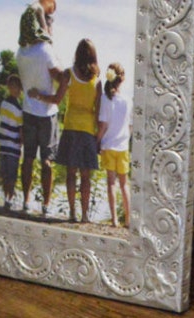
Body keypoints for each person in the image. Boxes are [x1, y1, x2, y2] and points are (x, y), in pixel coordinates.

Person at [14, 0, 65, 215]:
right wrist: (53, 99)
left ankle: (25, 202)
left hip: (28, 111)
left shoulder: (20, 53)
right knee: (46, 161)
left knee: (28, 158)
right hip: (46, 114)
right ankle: (46, 205)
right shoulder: (45, 50)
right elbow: (64, 79)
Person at [42, 38, 100, 224]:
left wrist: (38, 95)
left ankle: (72, 213)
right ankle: (84, 215)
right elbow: (97, 113)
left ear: (77, 54)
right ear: (93, 56)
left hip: (71, 127)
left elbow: (57, 100)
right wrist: (98, 137)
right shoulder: (97, 81)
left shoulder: (69, 74)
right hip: (88, 130)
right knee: (86, 176)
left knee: (71, 173)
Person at [96, 63, 131, 228]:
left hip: (108, 145)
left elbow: (102, 125)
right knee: (124, 184)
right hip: (123, 146)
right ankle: (129, 219)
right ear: (121, 80)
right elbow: (130, 125)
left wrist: (97, 141)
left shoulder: (104, 99)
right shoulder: (126, 101)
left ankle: (115, 219)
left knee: (111, 183)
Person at [0, 74, 25, 210]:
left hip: (12, 146)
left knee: (11, 174)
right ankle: (6, 198)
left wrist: (21, 143)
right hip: (5, 145)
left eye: (18, 88)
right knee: (5, 173)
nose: (17, 90)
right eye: (14, 87)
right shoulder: (6, 104)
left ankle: (9, 198)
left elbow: (20, 129)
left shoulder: (18, 108)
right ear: (9, 87)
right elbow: (19, 128)